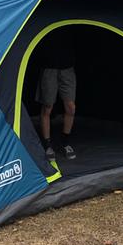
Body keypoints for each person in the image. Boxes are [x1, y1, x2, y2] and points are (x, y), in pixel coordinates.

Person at [35, 26, 77, 161]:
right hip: (49, 67)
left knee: (71, 107)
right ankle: (47, 144)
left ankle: (65, 142)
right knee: (48, 106)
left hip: (67, 67)